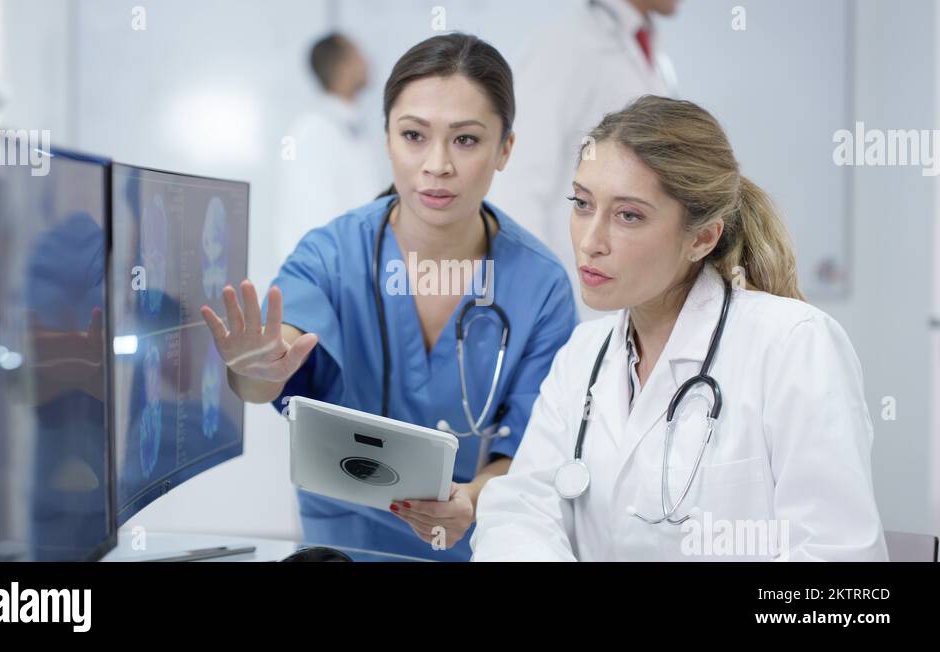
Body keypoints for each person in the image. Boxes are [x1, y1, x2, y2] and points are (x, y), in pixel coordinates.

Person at [201, 33, 577, 561]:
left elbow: (533, 454)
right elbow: (267, 370)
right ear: (386, 139)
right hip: (343, 546)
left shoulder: (541, 287)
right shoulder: (332, 255)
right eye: (414, 135)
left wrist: (473, 496)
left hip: (473, 545)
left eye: (466, 140)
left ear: (505, 149)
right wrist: (255, 369)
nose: (438, 164)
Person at [471, 95, 888, 561]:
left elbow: (840, 556)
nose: (590, 242)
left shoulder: (794, 344)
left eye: (628, 215)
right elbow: (518, 511)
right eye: (582, 204)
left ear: (703, 237)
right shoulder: (583, 356)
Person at [488, 0, 679, 319]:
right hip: (569, 298)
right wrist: (539, 301)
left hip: (621, 292)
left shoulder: (649, 53)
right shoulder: (567, 45)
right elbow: (516, 182)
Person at [273, 33, 386, 265]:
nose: (367, 62)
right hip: (329, 279)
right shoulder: (311, 131)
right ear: (343, 66)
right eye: (358, 55)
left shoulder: (354, 129)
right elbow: (313, 218)